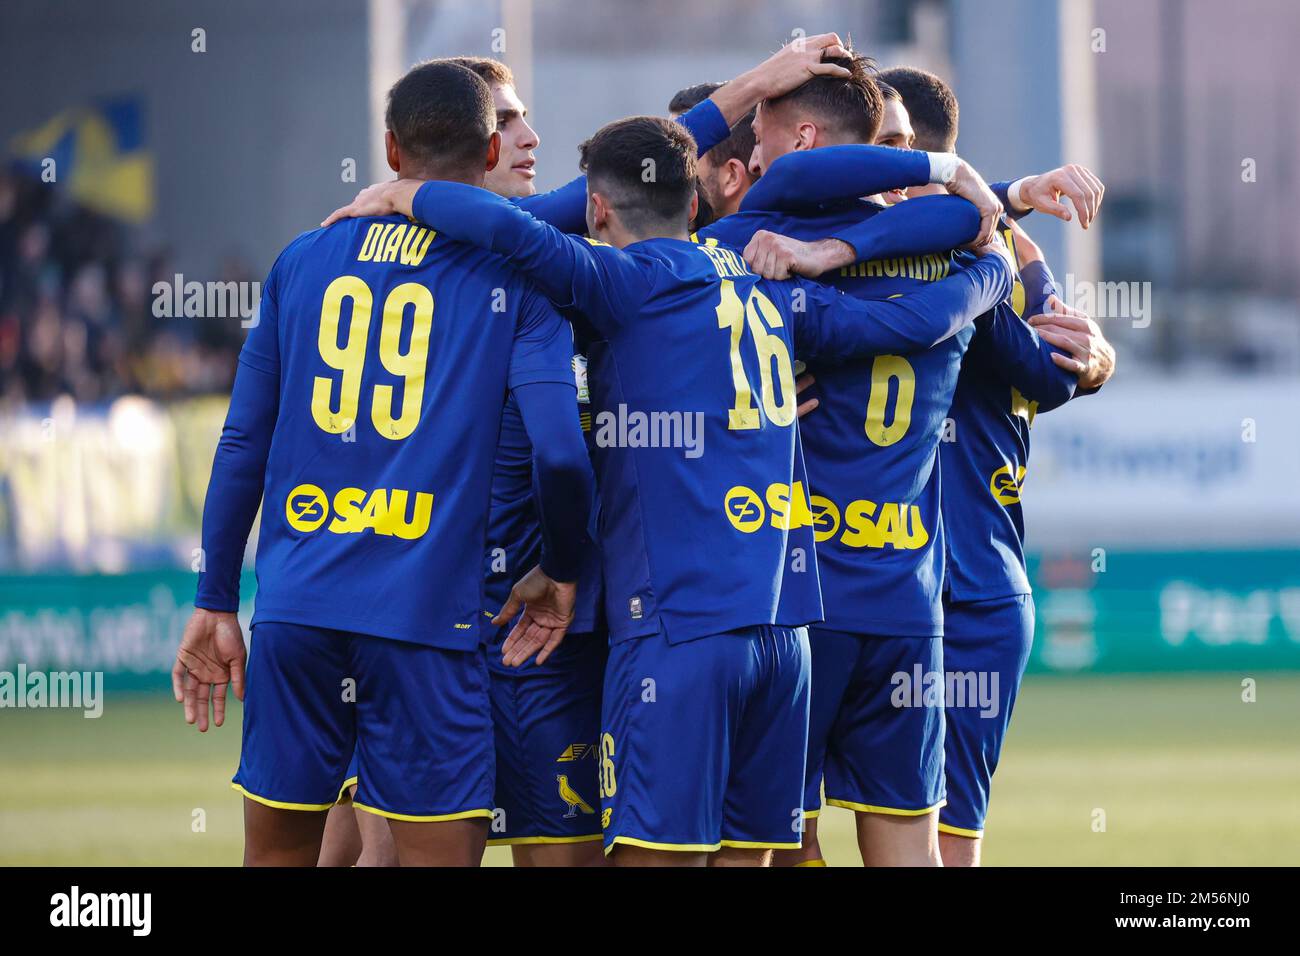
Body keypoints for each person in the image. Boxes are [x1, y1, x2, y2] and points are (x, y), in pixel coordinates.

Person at [172, 61, 593, 867]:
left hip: (298, 612)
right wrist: (562, 568)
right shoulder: (517, 275)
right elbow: (562, 458)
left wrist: (216, 597)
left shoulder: (304, 258)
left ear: (392, 151)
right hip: (427, 624)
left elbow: (241, 444)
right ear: (490, 148)